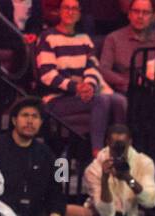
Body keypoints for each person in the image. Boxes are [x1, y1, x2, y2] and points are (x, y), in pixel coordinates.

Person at [0, 96, 94, 216]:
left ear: (41, 122)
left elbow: (58, 190)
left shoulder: (50, 154)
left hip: (35, 215)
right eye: (25, 115)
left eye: (35, 117)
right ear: (14, 120)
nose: (30, 121)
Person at [37, 0, 127, 155]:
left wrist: (89, 86)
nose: (70, 12)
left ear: (79, 14)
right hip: (57, 98)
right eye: (66, 8)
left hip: (83, 94)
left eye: (74, 9)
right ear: (59, 11)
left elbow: (92, 68)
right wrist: (76, 86)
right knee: (103, 99)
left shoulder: (84, 38)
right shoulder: (47, 37)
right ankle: (97, 152)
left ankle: (118, 150)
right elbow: (48, 75)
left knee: (120, 100)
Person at [81, 123, 155, 216]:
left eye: (122, 147)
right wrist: (104, 180)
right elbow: (106, 214)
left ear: (130, 142)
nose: (119, 152)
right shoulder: (94, 169)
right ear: (107, 143)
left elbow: (151, 202)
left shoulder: (144, 162)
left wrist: (129, 179)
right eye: (115, 147)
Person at [101, 0, 155, 95]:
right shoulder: (113, 39)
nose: (140, 16)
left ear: (153, 17)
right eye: (136, 11)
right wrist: (129, 82)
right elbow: (103, 70)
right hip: (126, 93)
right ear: (129, 14)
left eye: (146, 12)